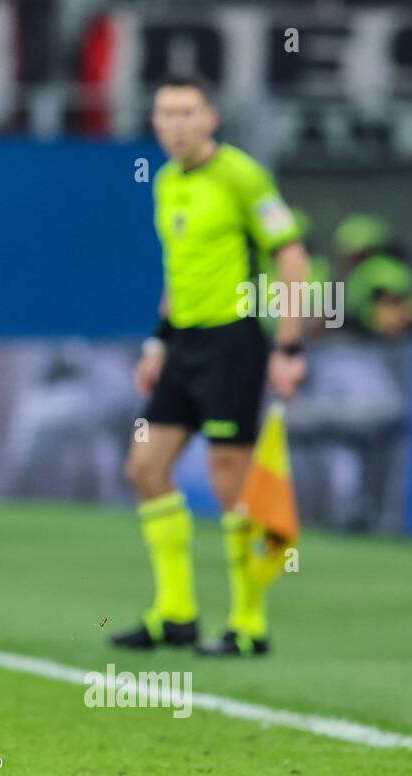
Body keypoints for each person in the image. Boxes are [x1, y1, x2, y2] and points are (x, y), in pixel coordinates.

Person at [111, 75, 309, 657]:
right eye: (165, 112)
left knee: (230, 478)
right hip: (185, 345)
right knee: (145, 467)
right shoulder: (167, 181)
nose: (175, 123)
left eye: (186, 111)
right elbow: (180, 272)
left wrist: (289, 347)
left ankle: (249, 624)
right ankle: (175, 614)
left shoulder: (242, 176)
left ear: (210, 119)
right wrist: (157, 343)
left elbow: (291, 254)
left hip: (235, 340)